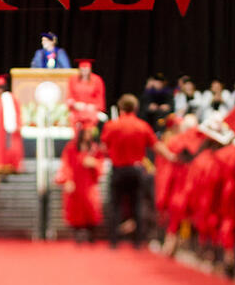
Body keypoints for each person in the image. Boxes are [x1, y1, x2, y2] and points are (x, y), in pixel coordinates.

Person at [101, 94, 178, 248]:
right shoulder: (142, 126)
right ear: (135, 109)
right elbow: (156, 146)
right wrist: (171, 156)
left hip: (118, 170)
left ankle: (114, 241)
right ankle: (137, 241)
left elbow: (103, 148)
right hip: (136, 170)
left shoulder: (111, 126)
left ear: (121, 108)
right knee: (137, 204)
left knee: (115, 205)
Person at [56, 126, 106, 242]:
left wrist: (94, 163)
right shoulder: (71, 148)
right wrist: (67, 180)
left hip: (89, 183)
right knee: (75, 207)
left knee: (91, 206)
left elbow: (101, 164)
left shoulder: (94, 149)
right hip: (75, 181)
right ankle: (77, 233)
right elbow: (66, 164)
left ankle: (91, 233)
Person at [66, 59, 106, 131]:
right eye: (82, 69)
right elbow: (69, 97)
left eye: (86, 69)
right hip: (76, 110)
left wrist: (93, 106)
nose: (84, 71)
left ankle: (88, 138)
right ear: (79, 69)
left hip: (91, 110)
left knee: (90, 121)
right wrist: (75, 104)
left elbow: (100, 100)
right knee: (73, 119)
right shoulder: (73, 80)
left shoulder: (97, 80)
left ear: (90, 69)